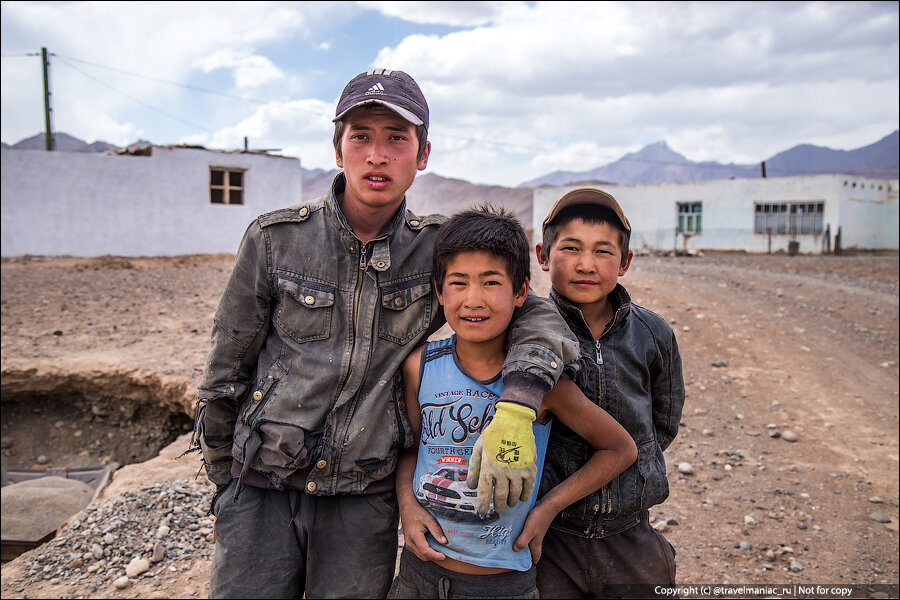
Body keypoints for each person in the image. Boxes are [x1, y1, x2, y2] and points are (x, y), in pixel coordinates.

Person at [188, 69, 578, 598]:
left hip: (361, 498)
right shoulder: (276, 239)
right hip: (262, 487)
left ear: (422, 155)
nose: (377, 154)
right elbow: (225, 370)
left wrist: (519, 404)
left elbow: (534, 315)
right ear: (337, 148)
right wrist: (226, 483)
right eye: (361, 136)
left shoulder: (437, 248)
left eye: (397, 138)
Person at [388, 206, 637, 599]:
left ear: (521, 291)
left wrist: (548, 508)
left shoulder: (539, 384)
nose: (473, 300)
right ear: (439, 291)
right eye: (458, 283)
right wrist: (408, 506)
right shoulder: (420, 367)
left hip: (504, 584)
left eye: (491, 282)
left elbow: (620, 448)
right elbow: (410, 448)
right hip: (418, 575)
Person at [533, 188, 686, 598]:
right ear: (542, 256)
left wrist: (632, 474)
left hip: (630, 535)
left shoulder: (653, 334)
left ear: (625, 262)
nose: (586, 265)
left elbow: (663, 422)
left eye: (603, 251)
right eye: (571, 248)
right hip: (551, 538)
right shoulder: (530, 333)